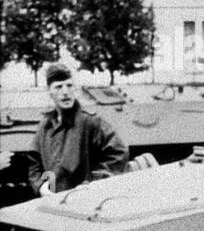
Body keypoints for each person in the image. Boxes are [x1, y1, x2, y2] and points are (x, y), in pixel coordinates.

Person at [28, 63, 129, 196]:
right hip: (54, 201)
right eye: (58, 87)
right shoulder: (45, 126)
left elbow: (118, 153)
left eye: (69, 85)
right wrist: (41, 186)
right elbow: (34, 162)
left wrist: (92, 184)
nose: (65, 92)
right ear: (49, 91)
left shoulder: (90, 122)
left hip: (84, 200)